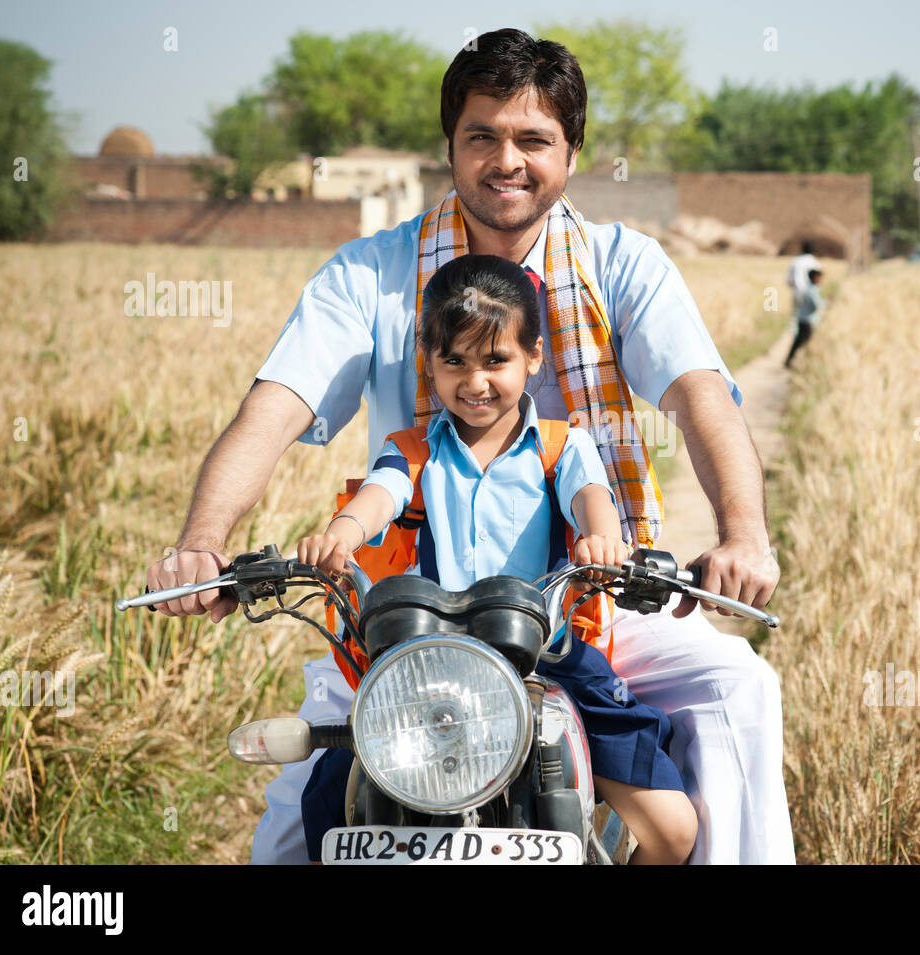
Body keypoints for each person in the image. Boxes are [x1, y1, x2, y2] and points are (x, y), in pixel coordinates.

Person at [146, 27, 794, 865]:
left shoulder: (623, 266)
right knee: (288, 839)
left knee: (738, 688)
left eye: (534, 139)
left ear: (572, 151)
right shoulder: (371, 274)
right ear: (449, 146)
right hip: (408, 623)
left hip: (592, 609)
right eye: (481, 135)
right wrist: (201, 547)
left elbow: (701, 397)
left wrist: (744, 533)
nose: (506, 160)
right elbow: (273, 409)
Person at [296, 254, 698, 865]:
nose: (474, 380)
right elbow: (381, 493)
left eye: (495, 360)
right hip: (427, 669)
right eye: (453, 360)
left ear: (533, 357)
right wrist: (344, 530)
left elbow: (592, 497)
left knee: (671, 830)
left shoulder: (563, 447)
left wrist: (602, 539)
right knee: (330, 810)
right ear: (428, 363)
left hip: (546, 659)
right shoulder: (409, 451)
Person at [784, 268, 827, 370]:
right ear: (815, 278)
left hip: (803, 319)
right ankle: (797, 362)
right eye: (819, 277)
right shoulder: (812, 290)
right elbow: (817, 305)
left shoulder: (809, 289)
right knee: (804, 342)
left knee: (799, 341)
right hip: (807, 320)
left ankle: (790, 361)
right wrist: (826, 303)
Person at [785, 240, 820, 313]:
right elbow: (817, 281)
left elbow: (789, 280)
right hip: (811, 295)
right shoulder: (815, 263)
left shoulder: (795, 261)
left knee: (795, 317)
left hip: (797, 294)